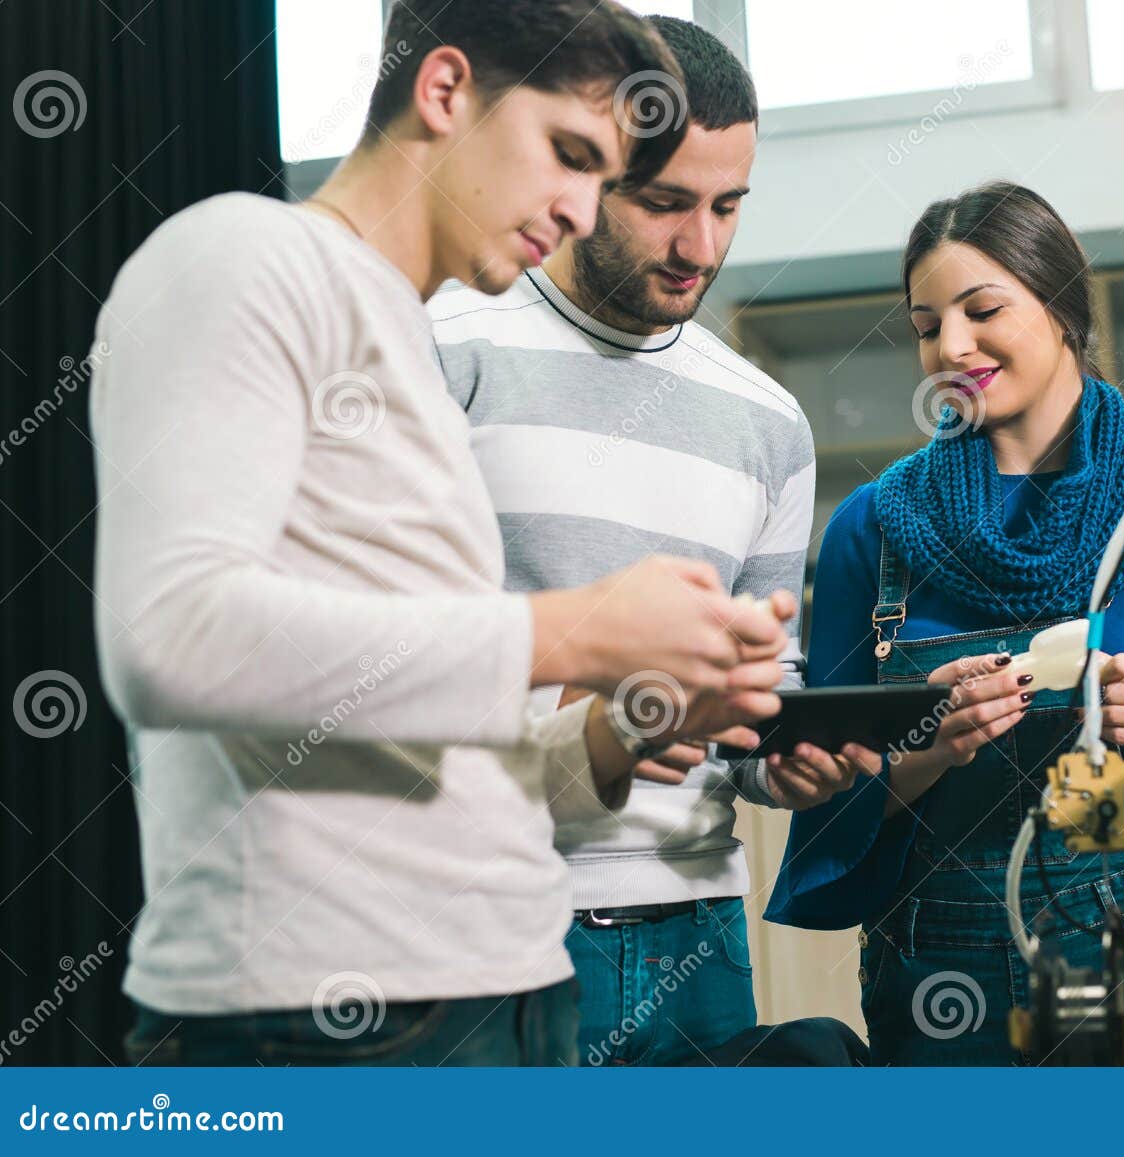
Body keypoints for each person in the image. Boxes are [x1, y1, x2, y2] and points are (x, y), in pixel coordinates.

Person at [92, 0, 792, 1068]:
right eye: (569, 154)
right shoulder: (239, 257)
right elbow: (172, 637)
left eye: (601, 178)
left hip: (502, 992)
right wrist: (577, 629)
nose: (578, 207)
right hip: (327, 1013)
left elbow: (435, 745)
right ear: (446, 90)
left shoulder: (406, 356)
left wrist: (629, 718)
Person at [765, 181, 1124, 1066]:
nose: (950, 346)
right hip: (937, 984)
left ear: (1063, 307)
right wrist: (926, 745)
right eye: (926, 325)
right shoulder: (870, 530)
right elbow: (828, 792)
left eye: (982, 308)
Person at [429, 16, 864, 1067]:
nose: (700, 247)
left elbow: (758, 694)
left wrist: (787, 761)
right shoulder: (445, 349)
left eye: (727, 207)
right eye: (665, 203)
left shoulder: (766, 419)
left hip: (697, 928)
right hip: (488, 915)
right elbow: (387, 666)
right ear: (585, 172)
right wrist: (592, 718)